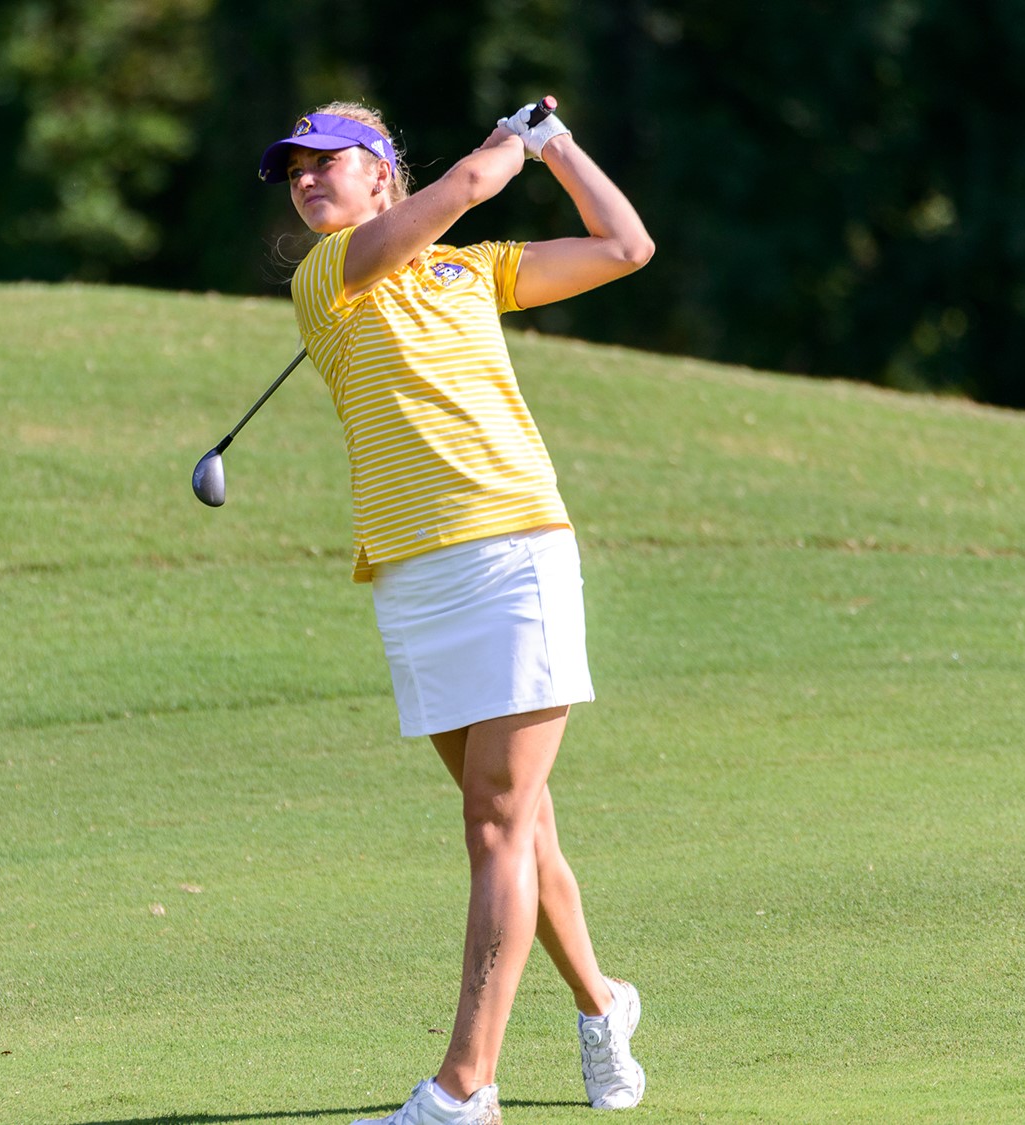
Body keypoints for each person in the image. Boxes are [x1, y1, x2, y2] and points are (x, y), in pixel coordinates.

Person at [256, 100, 654, 1125]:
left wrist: (557, 144)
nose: (305, 180)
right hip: (410, 575)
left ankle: (462, 1091)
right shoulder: (327, 275)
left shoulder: (470, 271)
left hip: (514, 551)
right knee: (521, 831)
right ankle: (604, 1006)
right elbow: (467, 186)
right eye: (293, 170)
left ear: (380, 172)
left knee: (494, 827)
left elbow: (626, 245)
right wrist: (505, 144)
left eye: (325, 162)